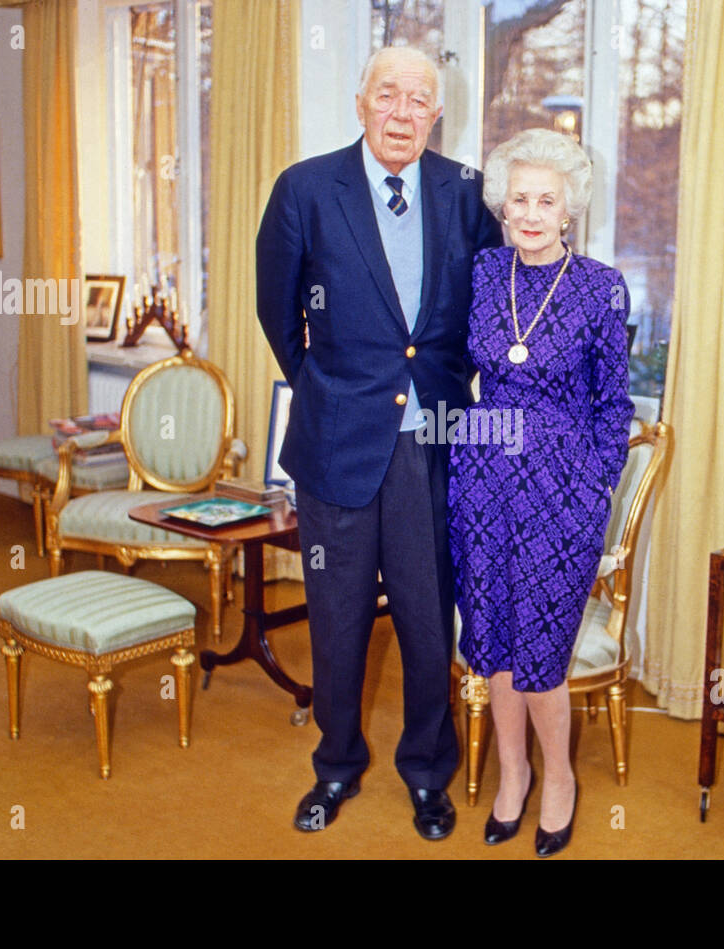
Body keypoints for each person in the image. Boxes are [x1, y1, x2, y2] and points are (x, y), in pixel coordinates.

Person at [255, 46, 502, 840]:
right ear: (361, 104)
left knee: (431, 622)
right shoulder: (304, 189)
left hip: (431, 442)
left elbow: (490, 307)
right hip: (336, 447)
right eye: (387, 95)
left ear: (438, 113)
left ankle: (430, 773)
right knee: (338, 617)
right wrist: (329, 390)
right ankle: (336, 765)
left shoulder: (465, 192)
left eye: (419, 99)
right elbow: (276, 311)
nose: (403, 112)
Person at [448, 128, 634, 857]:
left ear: (568, 211)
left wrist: (598, 483)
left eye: (545, 200)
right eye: (518, 198)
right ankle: (513, 772)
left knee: (541, 645)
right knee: (492, 634)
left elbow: (614, 404)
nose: (530, 212)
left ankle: (559, 777)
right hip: (484, 475)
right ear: (502, 207)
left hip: (563, 487)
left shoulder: (599, 285)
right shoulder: (486, 273)